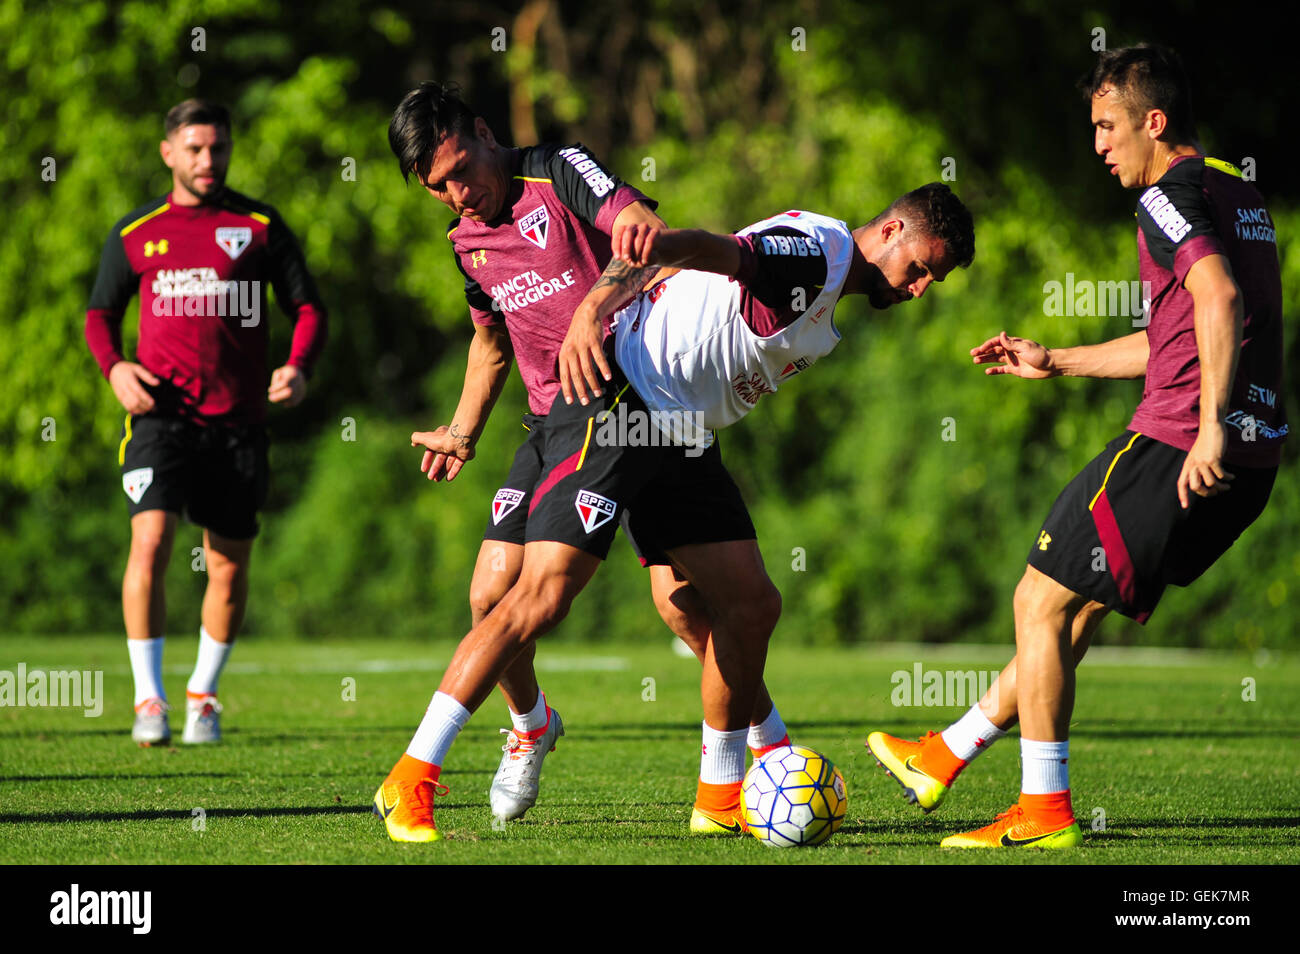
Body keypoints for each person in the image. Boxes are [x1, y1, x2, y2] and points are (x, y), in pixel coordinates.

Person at [371, 179, 975, 843]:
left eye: (932, 281)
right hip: (624, 397)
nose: (918, 287)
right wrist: (598, 300)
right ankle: (412, 777)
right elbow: (714, 250)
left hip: (681, 430)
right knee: (540, 595)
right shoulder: (819, 255)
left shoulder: (828, 278)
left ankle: (719, 796)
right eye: (919, 268)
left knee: (744, 605)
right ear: (889, 231)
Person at [866, 44, 1285, 848]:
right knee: (1073, 606)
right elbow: (1187, 331)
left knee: (1036, 599)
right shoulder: (1241, 191)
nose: (1097, 145)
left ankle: (1044, 812)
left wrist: (1207, 427)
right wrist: (1055, 360)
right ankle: (943, 755)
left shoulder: (1167, 198)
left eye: (1106, 126)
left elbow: (1218, 296)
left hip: (1180, 442)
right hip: (1254, 457)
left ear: (1153, 123)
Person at [386, 82, 790, 833]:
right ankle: (533, 724)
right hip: (552, 424)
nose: (457, 193)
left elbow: (645, 232)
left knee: (687, 611)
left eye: (461, 167)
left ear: (481, 132)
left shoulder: (559, 168)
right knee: (489, 597)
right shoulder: (464, 243)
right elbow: (490, 343)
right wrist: (462, 432)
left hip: (633, 396)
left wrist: (592, 306)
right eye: (437, 186)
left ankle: (767, 757)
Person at [85, 99, 328, 747]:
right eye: (193, 148)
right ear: (168, 153)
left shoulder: (258, 226)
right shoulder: (136, 231)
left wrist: (298, 367)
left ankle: (204, 696)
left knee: (227, 564)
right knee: (151, 541)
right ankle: (149, 701)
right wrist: (114, 370)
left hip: (239, 423)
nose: (207, 160)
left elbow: (307, 308)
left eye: (216, 147)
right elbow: (99, 316)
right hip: (161, 419)